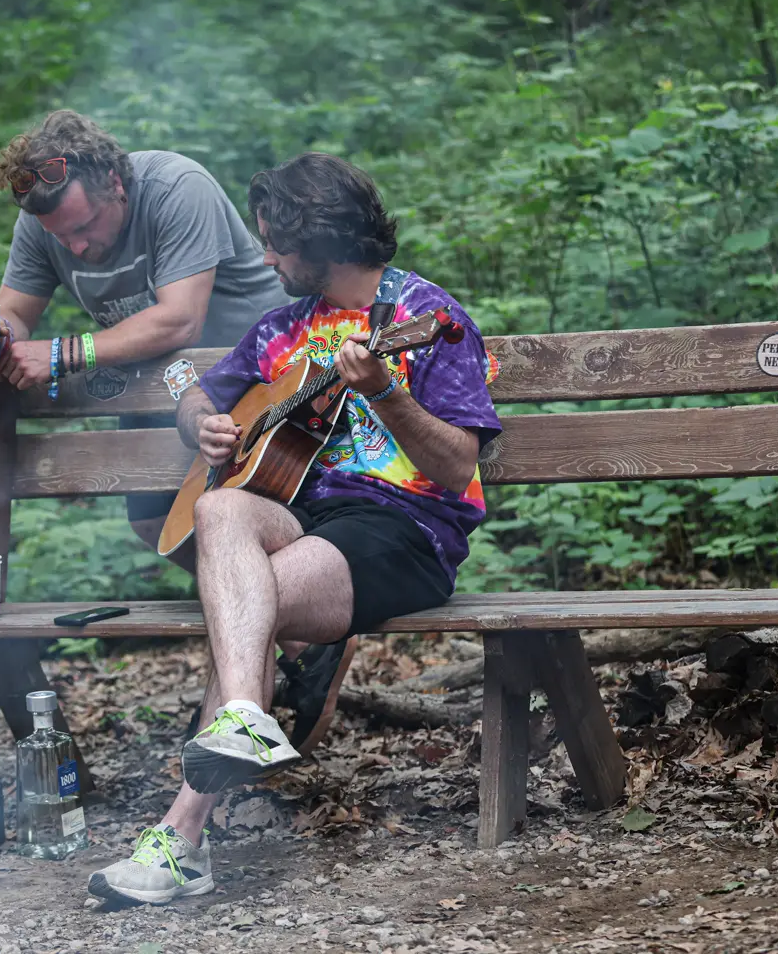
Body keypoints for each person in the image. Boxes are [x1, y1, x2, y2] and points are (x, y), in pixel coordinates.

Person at [86, 152, 502, 906]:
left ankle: (182, 836)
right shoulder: (282, 330)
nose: (267, 257)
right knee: (217, 507)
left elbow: (456, 465)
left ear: (325, 239)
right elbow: (201, 396)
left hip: (402, 530)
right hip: (302, 518)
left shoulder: (428, 320)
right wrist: (206, 427)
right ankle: (248, 716)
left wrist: (387, 397)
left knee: (246, 607)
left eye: (277, 244)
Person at [0, 110, 355, 750]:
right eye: (63, 235)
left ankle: (290, 635)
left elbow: (178, 322)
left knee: (236, 522)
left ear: (116, 180)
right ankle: (299, 639)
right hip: (156, 383)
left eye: (85, 228)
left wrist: (59, 354)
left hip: (253, 381)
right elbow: (14, 312)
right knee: (153, 524)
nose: (76, 247)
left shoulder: (175, 187)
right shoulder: (42, 223)